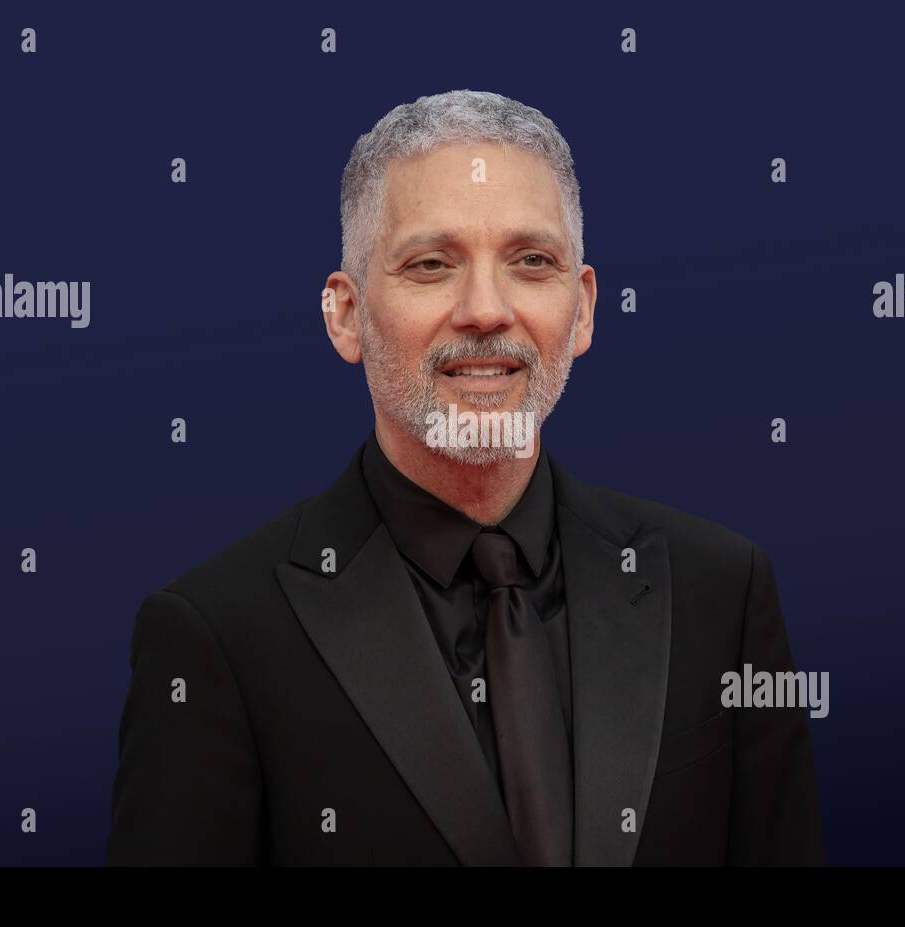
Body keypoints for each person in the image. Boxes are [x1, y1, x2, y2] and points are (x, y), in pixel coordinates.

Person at [105, 89, 824, 866]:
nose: (486, 310)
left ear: (580, 310)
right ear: (346, 316)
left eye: (531, 262)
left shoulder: (722, 590)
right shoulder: (216, 635)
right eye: (431, 265)